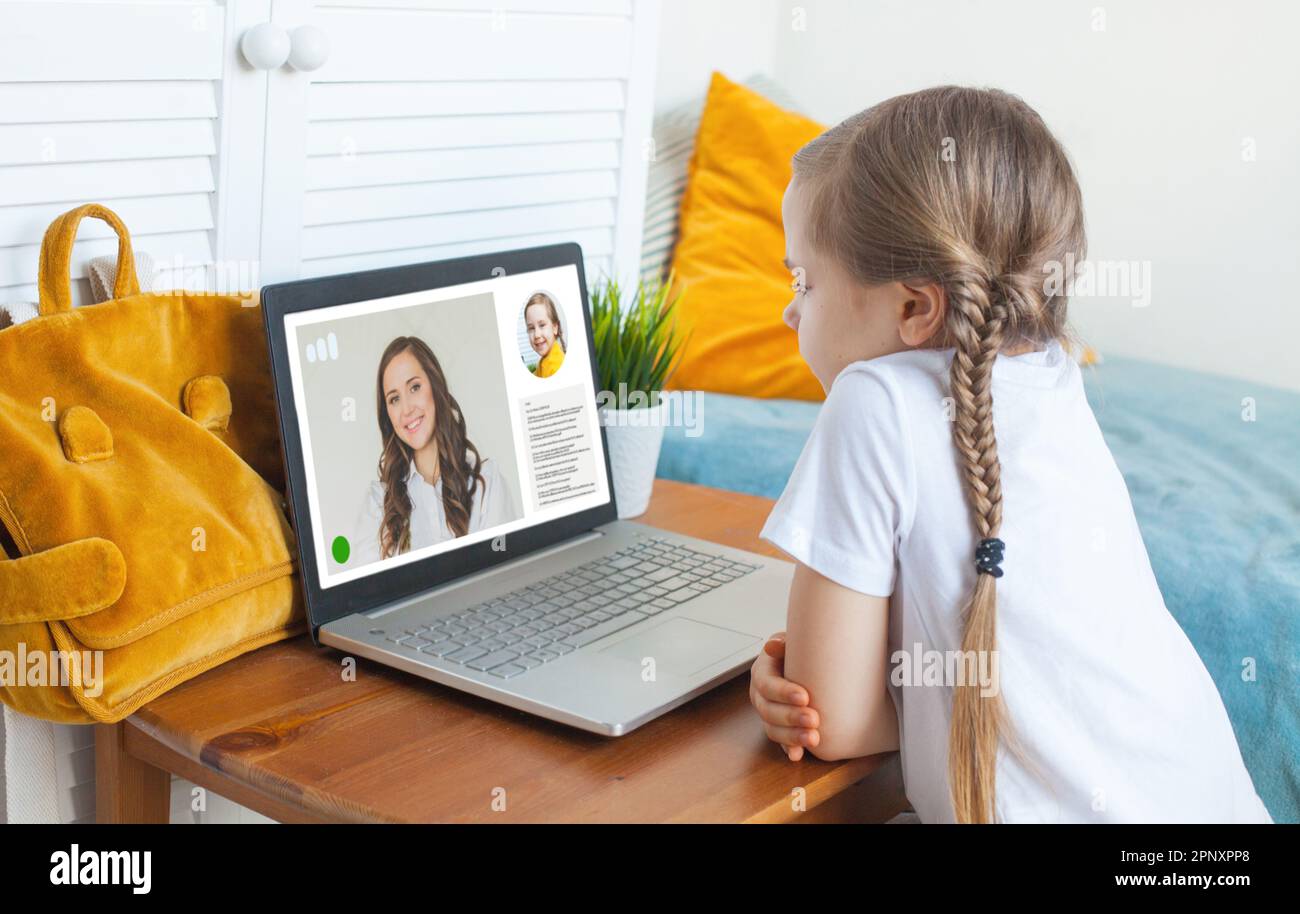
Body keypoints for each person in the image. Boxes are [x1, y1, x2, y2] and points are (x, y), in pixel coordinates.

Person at [747, 87, 1273, 824]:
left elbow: (829, 723)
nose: (788, 309)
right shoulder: (1055, 372)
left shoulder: (871, 402)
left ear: (913, 308)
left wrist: (778, 681)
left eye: (803, 279)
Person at [350, 336, 515, 564]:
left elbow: (501, 574)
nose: (407, 409)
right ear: (387, 413)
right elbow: (369, 592)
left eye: (414, 387)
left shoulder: (486, 482)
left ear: (435, 386)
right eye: (394, 399)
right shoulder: (378, 504)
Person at [525, 292, 566, 377]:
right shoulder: (545, 359)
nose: (537, 335)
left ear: (555, 328)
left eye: (542, 325)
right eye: (531, 328)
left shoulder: (555, 366)